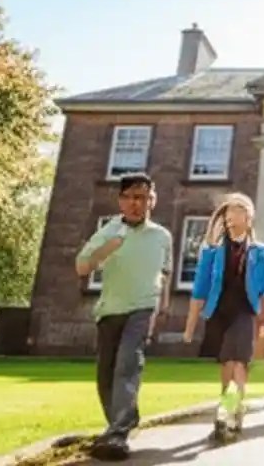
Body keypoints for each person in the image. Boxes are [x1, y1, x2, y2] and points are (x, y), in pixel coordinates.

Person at [74, 173, 173, 462]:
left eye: (140, 197)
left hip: (142, 308)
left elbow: (165, 274)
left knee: (127, 365)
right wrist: (108, 248)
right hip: (110, 310)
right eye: (128, 197)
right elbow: (82, 267)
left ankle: (118, 433)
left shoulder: (162, 236)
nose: (134, 203)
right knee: (106, 374)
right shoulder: (109, 230)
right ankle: (122, 420)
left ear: (151, 200)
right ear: (120, 201)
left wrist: (163, 306)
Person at [183, 193, 264, 442]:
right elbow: (199, 289)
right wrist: (190, 326)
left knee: (239, 361)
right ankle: (229, 405)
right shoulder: (212, 251)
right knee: (226, 362)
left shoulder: (262, 252)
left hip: (244, 312)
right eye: (228, 213)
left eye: (237, 212)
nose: (231, 217)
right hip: (219, 312)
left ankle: (231, 410)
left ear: (248, 217)